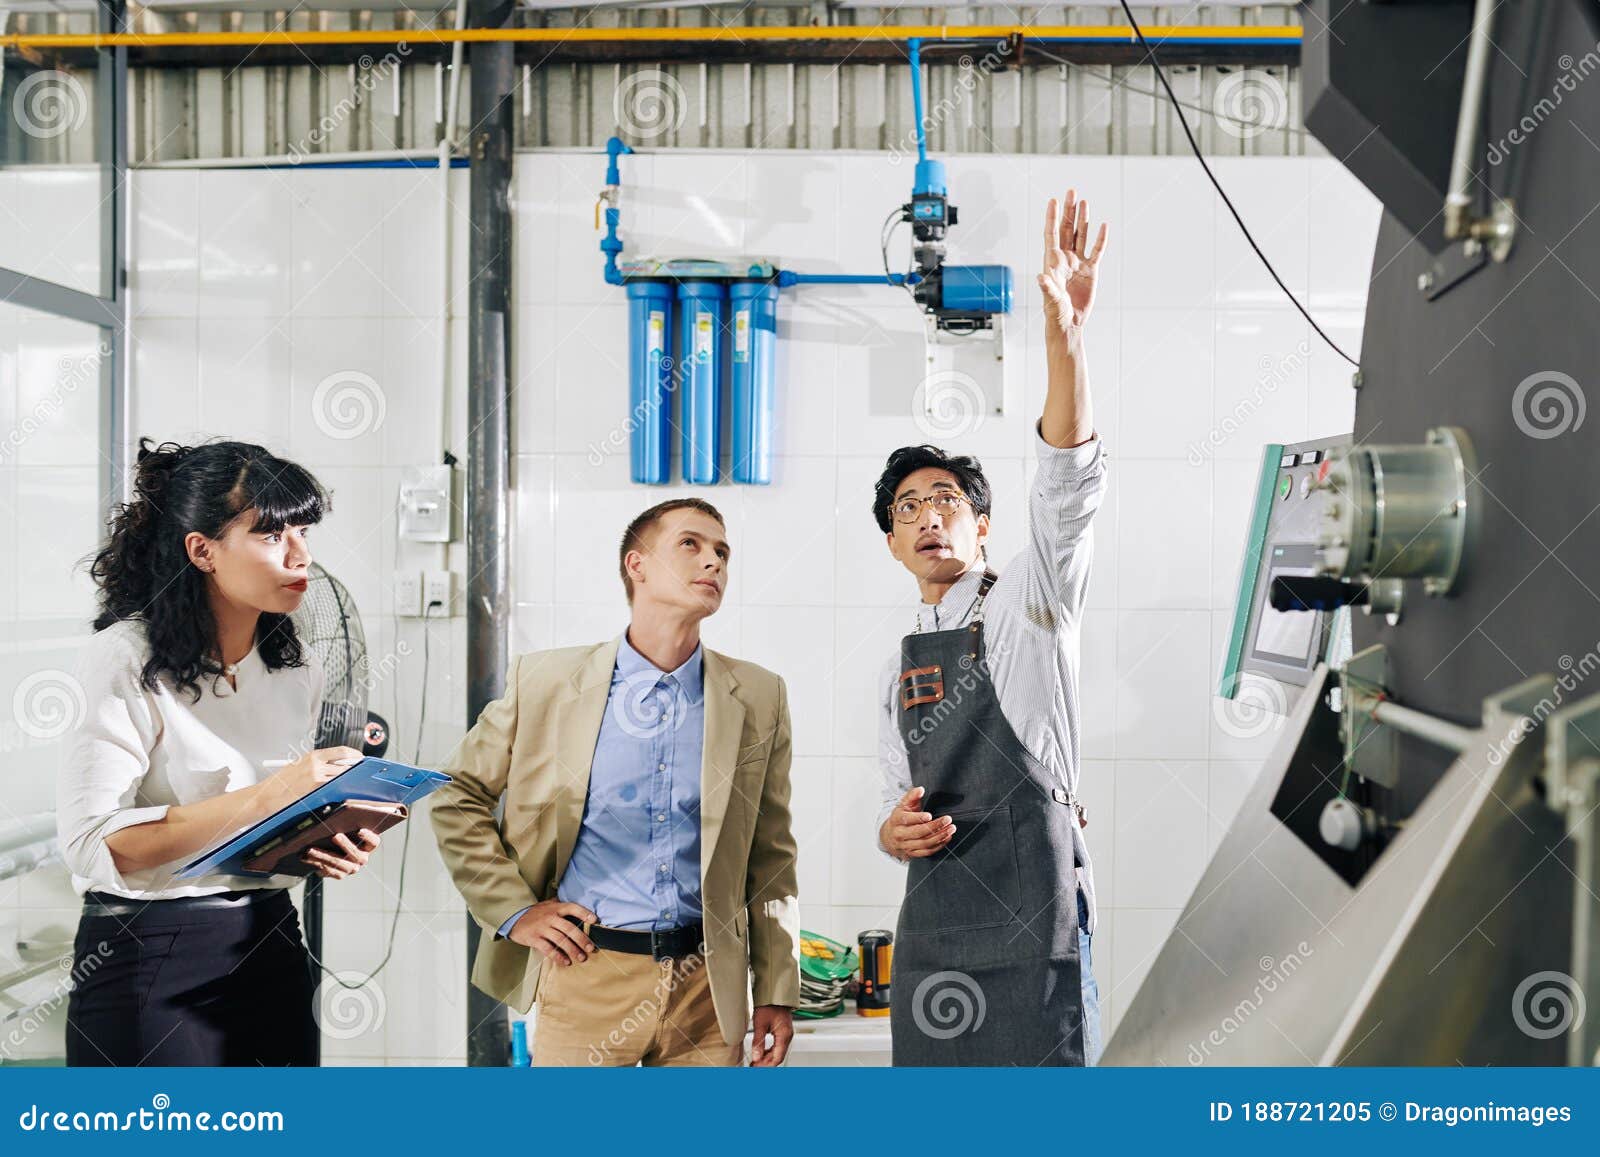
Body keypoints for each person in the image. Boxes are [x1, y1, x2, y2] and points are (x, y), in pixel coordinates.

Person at [430, 497, 800, 1067]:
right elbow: (457, 794)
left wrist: (776, 988)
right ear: (638, 565)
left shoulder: (758, 696)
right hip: (584, 977)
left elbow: (771, 855)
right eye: (691, 545)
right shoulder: (546, 683)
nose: (715, 562)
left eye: (723, 552)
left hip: (707, 992)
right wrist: (514, 910)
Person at [873, 192, 1110, 1066]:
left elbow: (1067, 487)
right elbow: (890, 794)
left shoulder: (1032, 601)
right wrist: (890, 833)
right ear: (894, 541)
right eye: (909, 507)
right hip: (936, 934)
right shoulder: (896, 664)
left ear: (981, 524)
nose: (930, 515)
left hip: (1034, 935)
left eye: (948, 500)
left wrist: (1066, 336)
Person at [58, 438, 382, 1067]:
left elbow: (263, 826)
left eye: (304, 530)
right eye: (269, 535)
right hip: (149, 953)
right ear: (201, 550)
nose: (300, 555)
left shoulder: (296, 666)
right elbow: (93, 841)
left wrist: (322, 838)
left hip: (270, 938)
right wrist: (274, 793)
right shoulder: (122, 659)